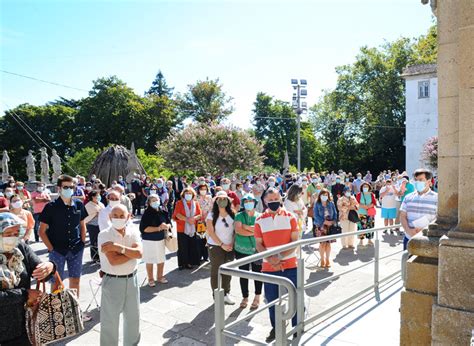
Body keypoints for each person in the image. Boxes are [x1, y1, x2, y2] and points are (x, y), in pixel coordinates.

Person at [0, 213, 56, 346]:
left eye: (16, 233)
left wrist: (50, 267)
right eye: (8, 234)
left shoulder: (20, 248)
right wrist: (24, 294)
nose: (13, 238)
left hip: (26, 324)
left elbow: (40, 270)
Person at [38, 174, 89, 320]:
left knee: (75, 280)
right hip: (57, 251)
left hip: (76, 249)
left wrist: (82, 242)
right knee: (56, 283)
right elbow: (41, 231)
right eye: (66, 187)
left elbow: (82, 224)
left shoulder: (78, 204)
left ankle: (75, 310)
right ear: (59, 188)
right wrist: (51, 249)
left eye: (71, 187)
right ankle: (56, 313)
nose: (69, 189)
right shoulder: (50, 207)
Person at [254, 187, 299, 343]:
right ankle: (276, 327)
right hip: (269, 267)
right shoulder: (259, 220)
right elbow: (258, 244)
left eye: (276, 199)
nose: (274, 202)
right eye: (270, 200)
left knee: (295, 298)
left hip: (291, 265)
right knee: (272, 300)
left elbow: (295, 241)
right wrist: (270, 258)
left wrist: (279, 257)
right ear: (265, 201)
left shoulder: (291, 217)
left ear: (281, 199)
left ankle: (296, 328)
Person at [98, 204, 143, 346]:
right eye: (115, 216)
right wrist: (131, 252)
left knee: (133, 318)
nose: (118, 218)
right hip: (113, 281)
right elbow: (114, 260)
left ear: (128, 217)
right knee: (110, 321)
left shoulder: (133, 231)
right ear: (110, 217)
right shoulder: (104, 234)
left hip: (132, 279)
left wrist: (118, 247)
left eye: (122, 216)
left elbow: (139, 253)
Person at [206, 191, 235, 304]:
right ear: (216, 201)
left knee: (228, 271)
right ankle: (217, 294)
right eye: (220, 199)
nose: (222, 201)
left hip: (229, 247)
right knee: (216, 271)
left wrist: (231, 243)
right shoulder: (211, 215)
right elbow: (211, 232)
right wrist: (222, 245)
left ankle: (226, 293)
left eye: (225, 199)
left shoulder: (232, 213)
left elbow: (234, 231)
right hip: (216, 246)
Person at [234, 194, 262, 310]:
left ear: (254, 203)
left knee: (257, 274)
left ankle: (257, 296)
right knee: (243, 274)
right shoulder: (239, 215)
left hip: (256, 250)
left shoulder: (259, 216)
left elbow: (260, 231)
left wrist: (246, 227)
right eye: (246, 201)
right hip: (241, 249)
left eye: (250, 201)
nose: (248, 203)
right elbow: (238, 230)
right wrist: (252, 229)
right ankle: (245, 297)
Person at [399, 169, 438, 250]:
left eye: (420, 180)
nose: (417, 182)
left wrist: (425, 229)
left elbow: (439, 218)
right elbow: (402, 216)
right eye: (416, 180)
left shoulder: (437, 198)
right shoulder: (408, 197)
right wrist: (408, 230)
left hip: (428, 239)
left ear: (428, 181)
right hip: (409, 238)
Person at [139, 195, 171, 287]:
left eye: (157, 200)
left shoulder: (163, 211)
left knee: (161, 259)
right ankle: (150, 278)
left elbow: (169, 222)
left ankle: (160, 277)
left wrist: (167, 226)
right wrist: (158, 228)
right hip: (149, 240)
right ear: (149, 203)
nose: (155, 202)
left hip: (160, 239)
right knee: (150, 259)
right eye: (153, 200)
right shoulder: (147, 213)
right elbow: (144, 229)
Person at [172, 187, 201, 269]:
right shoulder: (179, 203)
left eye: (190, 193)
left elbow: (199, 214)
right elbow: (177, 214)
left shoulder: (196, 203)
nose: (188, 195)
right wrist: (187, 219)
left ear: (193, 195)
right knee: (182, 246)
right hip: (182, 228)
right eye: (186, 193)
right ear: (183, 194)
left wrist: (193, 219)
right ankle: (182, 264)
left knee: (191, 245)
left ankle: (190, 262)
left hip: (193, 228)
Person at [313, 189, 337, 267]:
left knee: (328, 244)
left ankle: (327, 259)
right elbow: (315, 215)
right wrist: (324, 222)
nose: (325, 196)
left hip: (330, 225)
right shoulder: (317, 204)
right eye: (323, 195)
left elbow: (335, 213)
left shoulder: (331, 203)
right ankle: (322, 259)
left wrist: (333, 222)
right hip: (321, 225)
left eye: (326, 195)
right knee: (322, 243)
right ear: (320, 195)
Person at [84, 191, 105, 263]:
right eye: (97, 195)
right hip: (92, 225)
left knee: (101, 240)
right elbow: (87, 216)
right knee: (94, 241)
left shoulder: (101, 204)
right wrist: (96, 214)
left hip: (101, 224)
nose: (99, 196)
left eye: (99, 195)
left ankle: (101, 256)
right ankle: (94, 257)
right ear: (92, 197)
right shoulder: (88, 205)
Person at [356, 182, 377, 246]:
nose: (365, 188)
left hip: (370, 213)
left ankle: (369, 240)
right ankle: (361, 240)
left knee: (370, 226)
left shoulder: (371, 194)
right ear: (362, 188)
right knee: (361, 226)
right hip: (362, 212)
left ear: (369, 187)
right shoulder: (359, 194)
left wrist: (368, 206)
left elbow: (374, 202)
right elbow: (356, 202)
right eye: (364, 187)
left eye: (366, 187)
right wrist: (363, 206)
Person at [196, 182, 212, 262]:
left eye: (205, 189)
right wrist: (200, 216)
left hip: (208, 221)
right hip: (199, 221)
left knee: (207, 238)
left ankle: (206, 256)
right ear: (199, 190)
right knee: (200, 238)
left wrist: (207, 215)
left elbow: (211, 208)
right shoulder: (196, 198)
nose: (203, 190)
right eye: (201, 189)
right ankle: (198, 256)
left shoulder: (209, 197)